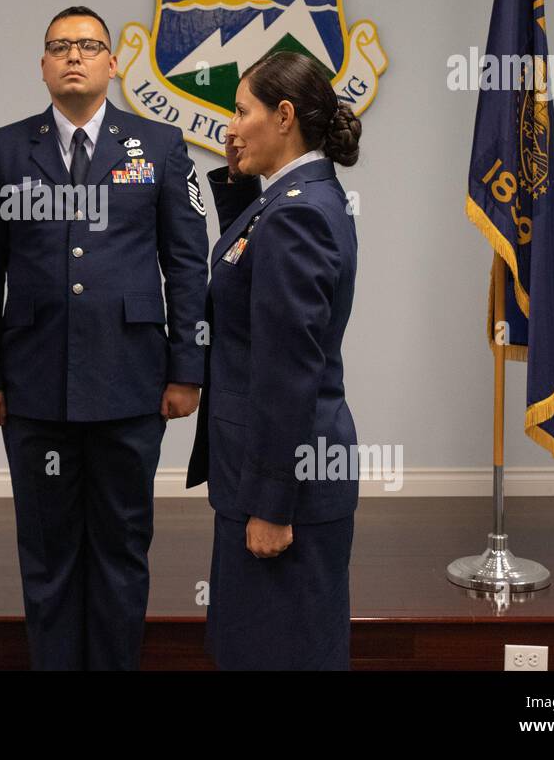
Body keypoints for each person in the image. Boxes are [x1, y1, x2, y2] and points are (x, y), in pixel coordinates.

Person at [0, 6, 209, 670]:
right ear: (43, 64)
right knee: (46, 553)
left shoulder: (158, 146)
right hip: (34, 387)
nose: (75, 55)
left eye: (89, 45)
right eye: (61, 46)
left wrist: (189, 368)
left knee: (122, 548)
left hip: (132, 384)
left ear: (113, 62)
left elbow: (186, 262)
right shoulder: (4, 150)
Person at [185, 49, 362, 670]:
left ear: (284, 115)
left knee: (277, 657)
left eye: (240, 111)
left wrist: (271, 504)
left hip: (285, 488)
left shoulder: (297, 217)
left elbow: (288, 374)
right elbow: (246, 271)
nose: (228, 127)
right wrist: (237, 184)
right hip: (276, 473)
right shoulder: (297, 199)